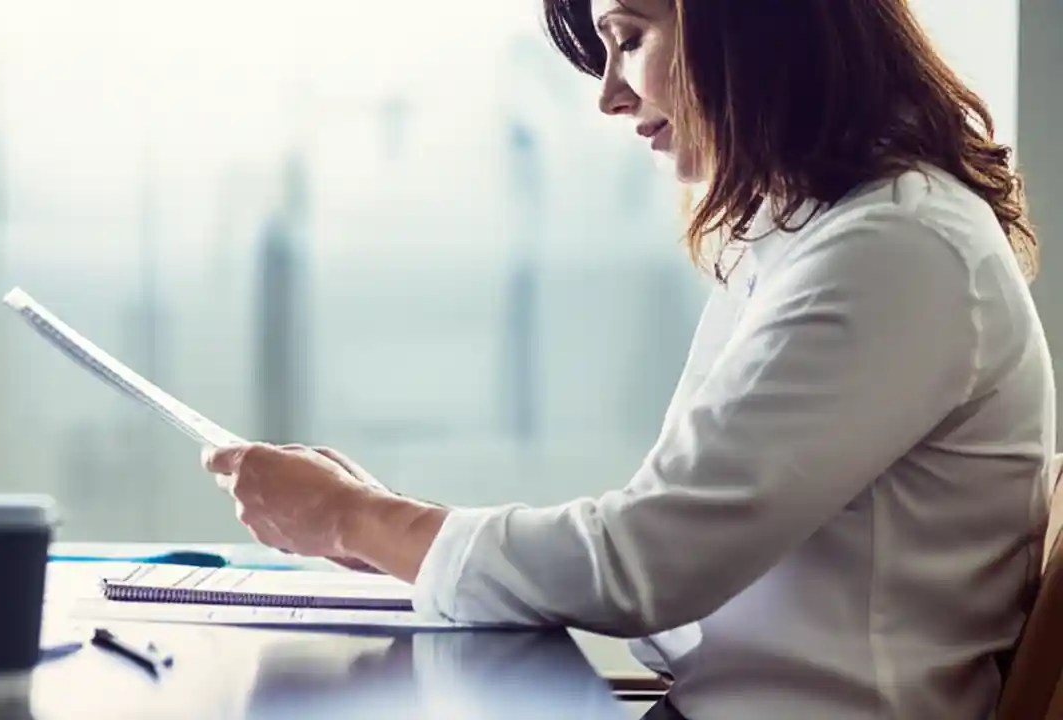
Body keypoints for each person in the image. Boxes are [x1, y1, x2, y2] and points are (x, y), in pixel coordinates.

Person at [203, 1, 1056, 717]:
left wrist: (355, 520)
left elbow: (645, 566)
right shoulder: (821, 235)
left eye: (630, 38)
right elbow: (661, 547)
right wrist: (386, 527)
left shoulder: (894, 252)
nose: (610, 94)